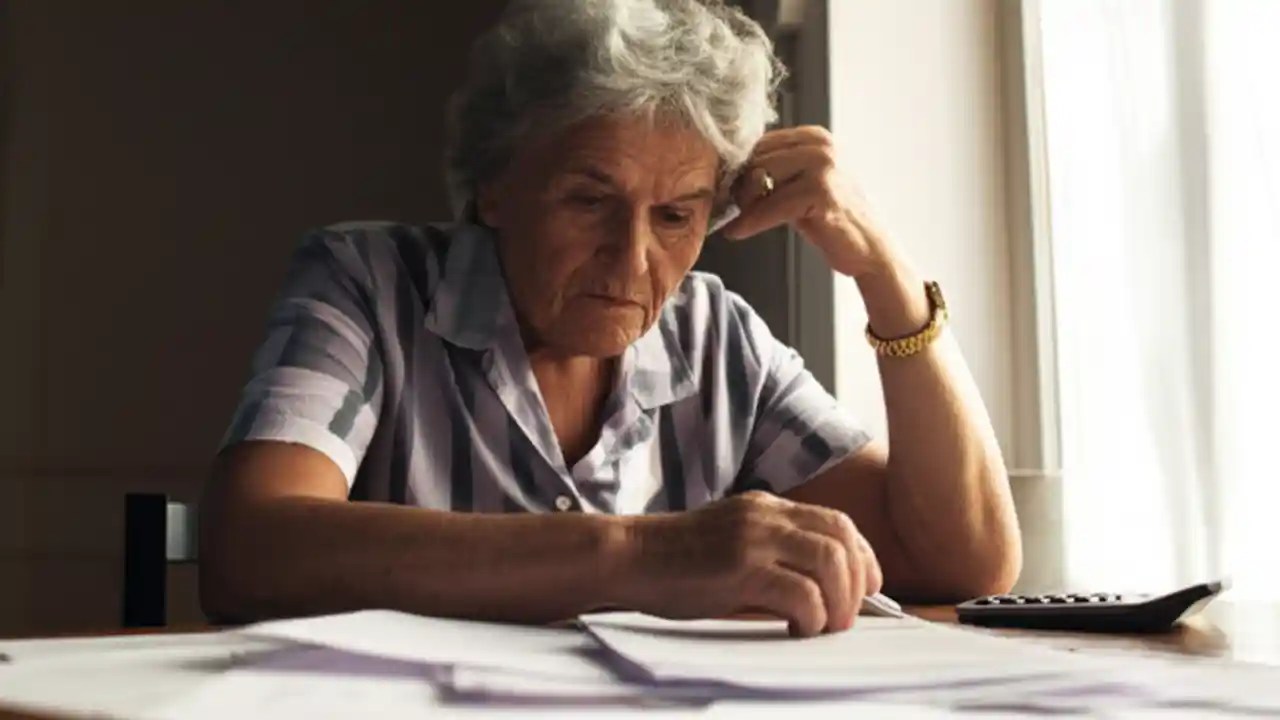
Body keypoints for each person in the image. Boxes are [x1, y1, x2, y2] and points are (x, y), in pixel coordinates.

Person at [200, 0, 1020, 637]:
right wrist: (645, 555)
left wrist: (886, 274)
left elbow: (961, 561)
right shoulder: (368, 284)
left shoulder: (717, 337)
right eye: (589, 201)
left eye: (675, 217)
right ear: (494, 185)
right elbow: (251, 550)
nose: (632, 264)